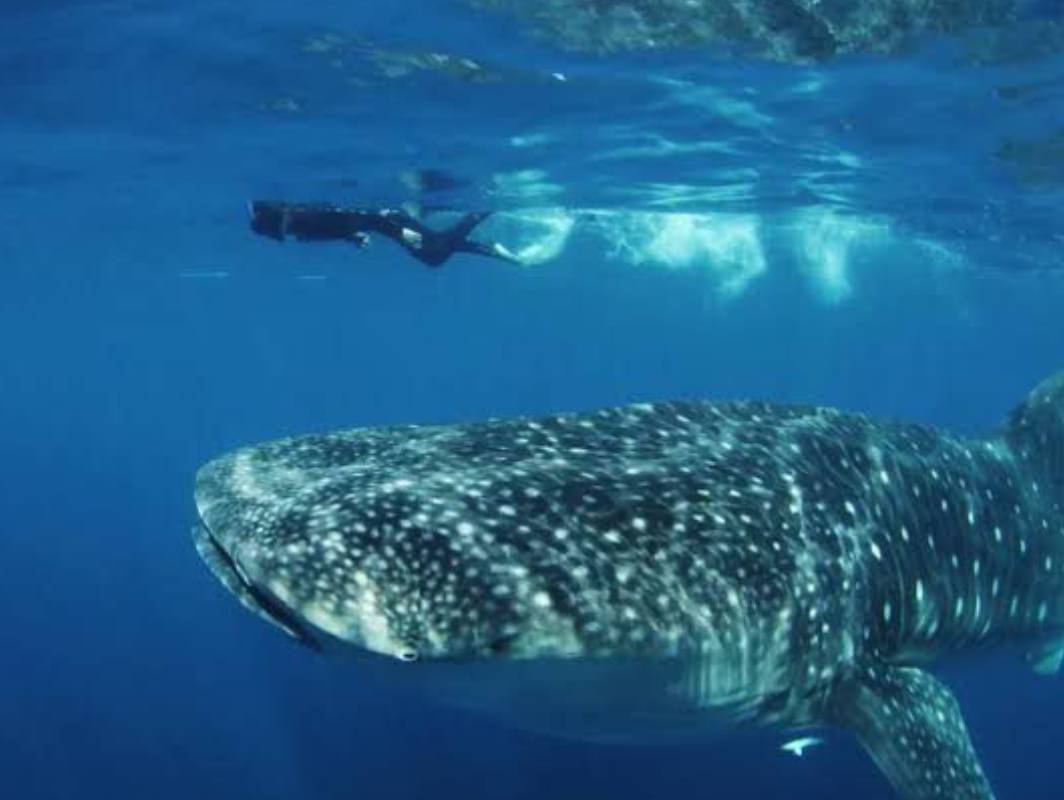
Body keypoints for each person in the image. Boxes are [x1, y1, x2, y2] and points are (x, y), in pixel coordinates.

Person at [248, 200, 521, 268]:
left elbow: (361, 214)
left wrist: (399, 229)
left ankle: (480, 214)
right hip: (385, 225)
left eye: (284, 227)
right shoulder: (303, 229)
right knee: (433, 253)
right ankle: (487, 245)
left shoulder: (308, 217)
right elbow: (340, 229)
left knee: (433, 253)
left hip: (389, 220)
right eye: (284, 232)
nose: (289, 232)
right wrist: (353, 238)